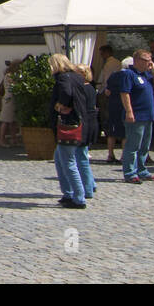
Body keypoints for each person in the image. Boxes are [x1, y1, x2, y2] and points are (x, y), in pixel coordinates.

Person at [49, 54, 89, 208]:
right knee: (60, 159)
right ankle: (68, 193)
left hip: (68, 122)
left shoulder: (63, 78)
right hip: (77, 120)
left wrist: (60, 106)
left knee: (68, 161)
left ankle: (78, 197)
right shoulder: (76, 77)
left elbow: (66, 93)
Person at [118, 49, 154, 184]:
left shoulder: (147, 75)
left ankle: (142, 170)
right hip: (136, 115)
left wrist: (153, 70)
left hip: (148, 115)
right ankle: (130, 172)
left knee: (145, 145)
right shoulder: (129, 74)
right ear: (136, 60)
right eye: (145, 59)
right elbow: (125, 94)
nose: (149, 62)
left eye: (150, 59)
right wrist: (129, 111)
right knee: (133, 145)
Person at [75, 64, 99, 201]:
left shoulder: (83, 88)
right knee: (82, 154)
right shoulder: (90, 87)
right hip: (91, 121)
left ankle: (88, 188)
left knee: (81, 157)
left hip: (85, 123)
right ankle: (91, 183)